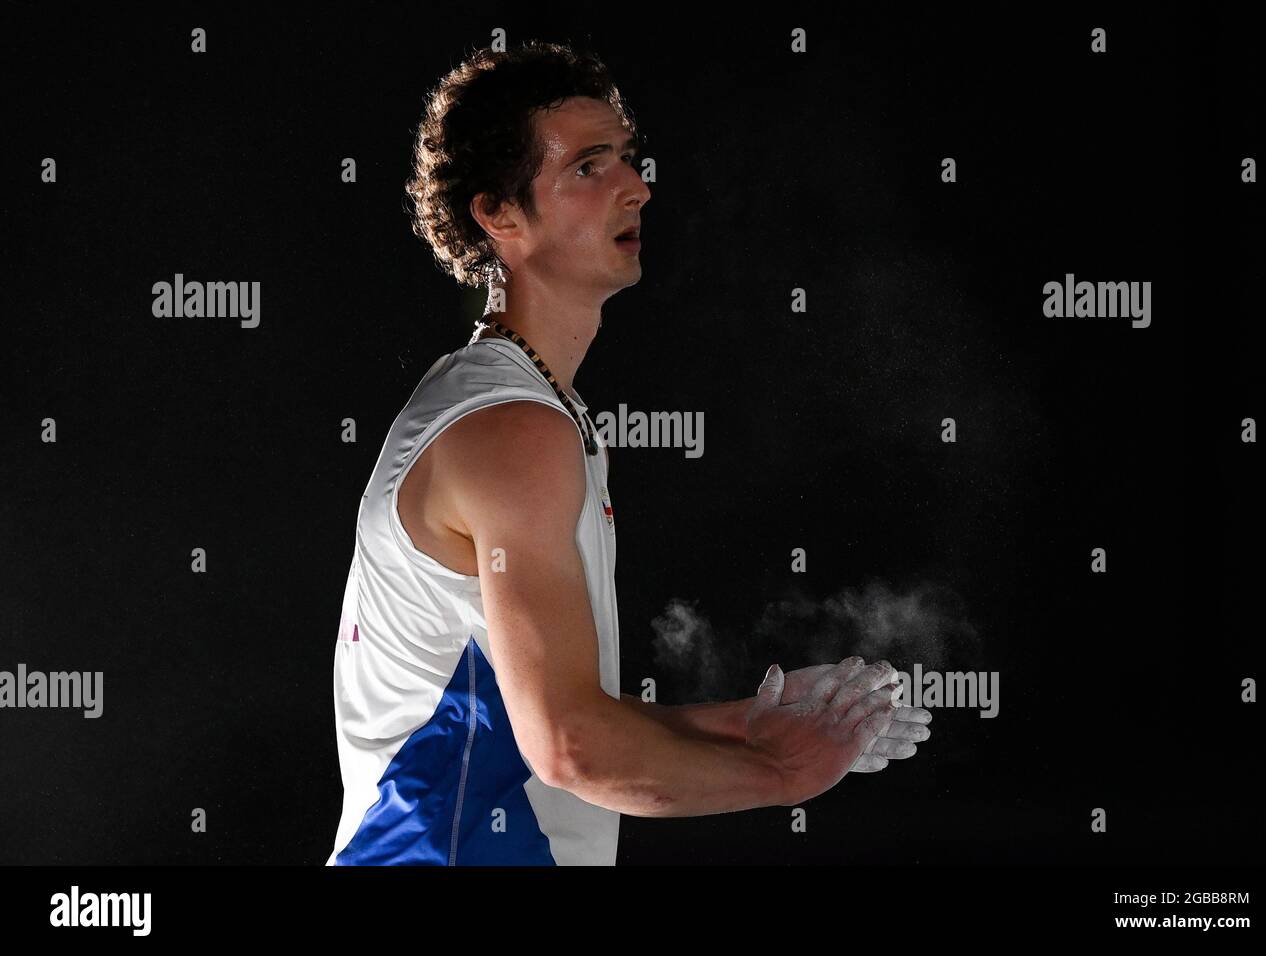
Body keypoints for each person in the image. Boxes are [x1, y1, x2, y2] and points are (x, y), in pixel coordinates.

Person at [326, 41, 931, 866]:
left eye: (629, 159)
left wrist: (751, 723)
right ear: (498, 217)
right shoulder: (512, 429)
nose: (636, 185)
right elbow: (570, 749)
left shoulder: (538, 409)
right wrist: (781, 771)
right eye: (588, 166)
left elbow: (559, 714)